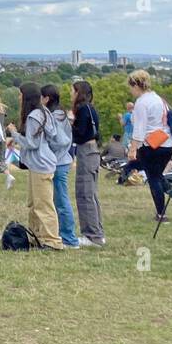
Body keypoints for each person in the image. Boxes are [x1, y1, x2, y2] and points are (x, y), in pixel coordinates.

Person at [126, 70, 172, 221]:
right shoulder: (159, 99)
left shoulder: (141, 103)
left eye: (130, 86)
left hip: (150, 145)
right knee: (158, 176)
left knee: (153, 179)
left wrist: (133, 149)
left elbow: (139, 130)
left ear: (136, 85)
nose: (130, 90)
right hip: (167, 144)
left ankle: (161, 214)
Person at [8, 83, 65, 250]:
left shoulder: (34, 116)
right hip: (42, 163)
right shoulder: (44, 112)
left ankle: (52, 240)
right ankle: (37, 236)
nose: (19, 98)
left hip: (40, 164)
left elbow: (32, 143)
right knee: (34, 203)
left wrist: (14, 133)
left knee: (43, 205)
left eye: (20, 95)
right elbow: (51, 135)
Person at [41, 84, 79, 248]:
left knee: (62, 201)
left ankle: (69, 238)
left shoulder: (54, 116)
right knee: (58, 200)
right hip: (62, 161)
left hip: (58, 162)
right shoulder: (61, 114)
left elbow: (60, 141)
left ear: (47, 98)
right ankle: (62, 234)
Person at [70, 80, 104, 246]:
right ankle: (97, 232)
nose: (71, 94)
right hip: (93, 151)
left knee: (85, 193)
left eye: (73, 91)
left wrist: (69, 125)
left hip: (86, 150)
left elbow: (81, 133)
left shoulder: (83, 109)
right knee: (91, 194)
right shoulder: (91, 108)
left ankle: (92, 235)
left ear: (78, 93)